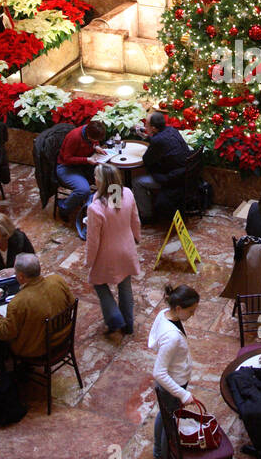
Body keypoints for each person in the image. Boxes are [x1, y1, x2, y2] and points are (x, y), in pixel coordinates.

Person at [0, 252, 74, 359]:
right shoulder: (58, 280)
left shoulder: (18, 302)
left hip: (37, 349)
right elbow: (71, 303)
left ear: (20, 276)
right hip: (64, 337)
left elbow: (5, 333)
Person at [86, 164, 141, 336]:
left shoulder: (95, 208)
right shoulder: (127, 194)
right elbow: (135, 220)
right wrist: (137, 238)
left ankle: (115, 318)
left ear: (101, 181)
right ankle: (128, 325)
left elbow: (93, 240)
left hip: (106, 253)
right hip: (127, 249)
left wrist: (89, 260)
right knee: (125, 286)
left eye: (96, 176)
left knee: (98, 282)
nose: (94, 178)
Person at [149, 284, 199, 459]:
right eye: (191, 311)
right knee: (170, 427)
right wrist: (182, 393)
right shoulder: (172, 337)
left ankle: (158, 451)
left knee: (164, 416)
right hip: (173, 384)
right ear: (178, 308)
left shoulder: (164, 313)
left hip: (172, 382)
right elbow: (159, 372)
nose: (193, 315)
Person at [133, 111, 189, 222]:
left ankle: (146, 216)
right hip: (184, 173)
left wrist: (151, 139)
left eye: (146, 125)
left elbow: (147, 160)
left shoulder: (157, 141)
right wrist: (148, 137)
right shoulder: (172, 130)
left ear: (153, 128)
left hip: (171, 179)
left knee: (137, 182)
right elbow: (163, 142)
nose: (144, 127)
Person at [56, 119, 109, 220]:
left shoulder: (91, 131)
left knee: (107, 178)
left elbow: (94, 142)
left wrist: (96, 147)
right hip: (66, 167)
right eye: (94, 140)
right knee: (83, 190)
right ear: (89, 136)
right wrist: (87, 160)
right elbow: (67, 159)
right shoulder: (74, 137)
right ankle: (63, 208)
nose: (95, 142)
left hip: (83, 166)